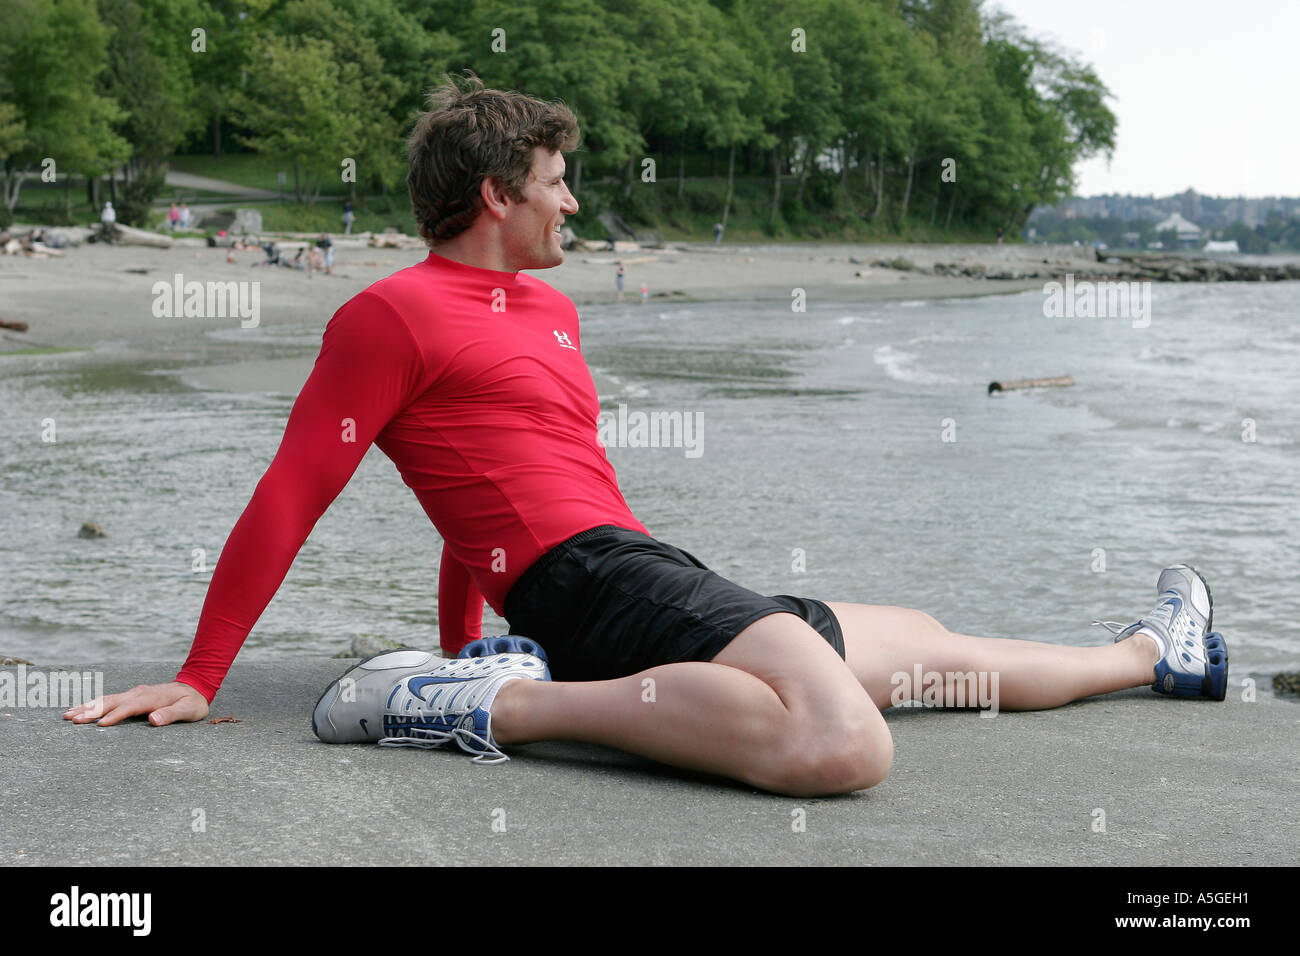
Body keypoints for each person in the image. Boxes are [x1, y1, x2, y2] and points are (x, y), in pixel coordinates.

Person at [65, 76, 1228, 797]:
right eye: (558, 183)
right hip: (588, 579)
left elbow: (480, 483)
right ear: (495, 197)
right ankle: (471, 709)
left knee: (920, 645)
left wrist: (470, 629)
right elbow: (293, 489)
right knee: (843, 744)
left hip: (629, 567)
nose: (573, 202)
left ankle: (1148, 653)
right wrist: (201, 674)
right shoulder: (392, 313)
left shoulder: (551, 310)